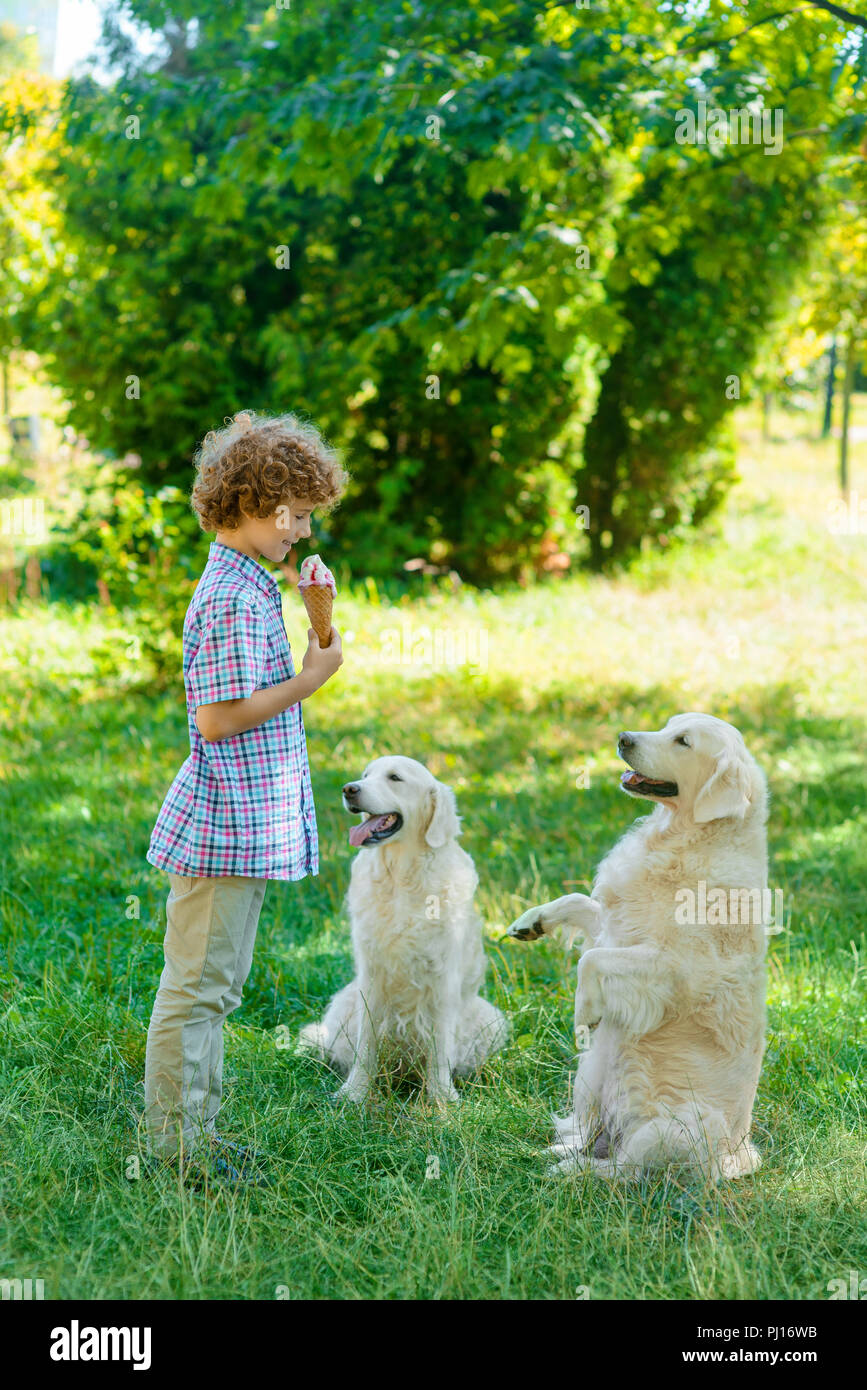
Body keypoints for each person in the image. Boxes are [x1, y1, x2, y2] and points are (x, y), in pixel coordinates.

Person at [143, 409, 347, 1182]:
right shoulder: (229, 596)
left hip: (242, 826)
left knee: (214, 989)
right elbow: (218, 718)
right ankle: (177, 1147)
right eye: (292, 516)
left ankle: (195, 1133)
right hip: (221, 828)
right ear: (250, 505)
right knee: (197, 990)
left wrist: (310, 627)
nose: (299, 531)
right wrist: (308, 680)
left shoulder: (251, 584)